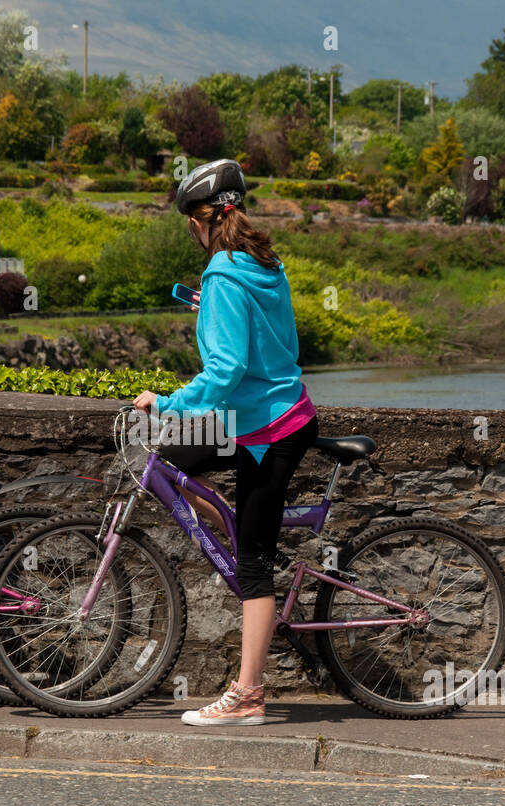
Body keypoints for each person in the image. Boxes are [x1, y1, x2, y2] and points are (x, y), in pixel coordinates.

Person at [133, 158, 319, 727]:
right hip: (266, 418)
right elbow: (270, 335)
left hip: (269, 431)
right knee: (168, 458)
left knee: (254, 567)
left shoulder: (221, 273)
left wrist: (165, 403)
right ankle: (236, 528)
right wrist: (210, 307)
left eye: (190, 222)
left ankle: (248, 695)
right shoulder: (262, 261)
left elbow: (226, 371)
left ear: (201, 221)